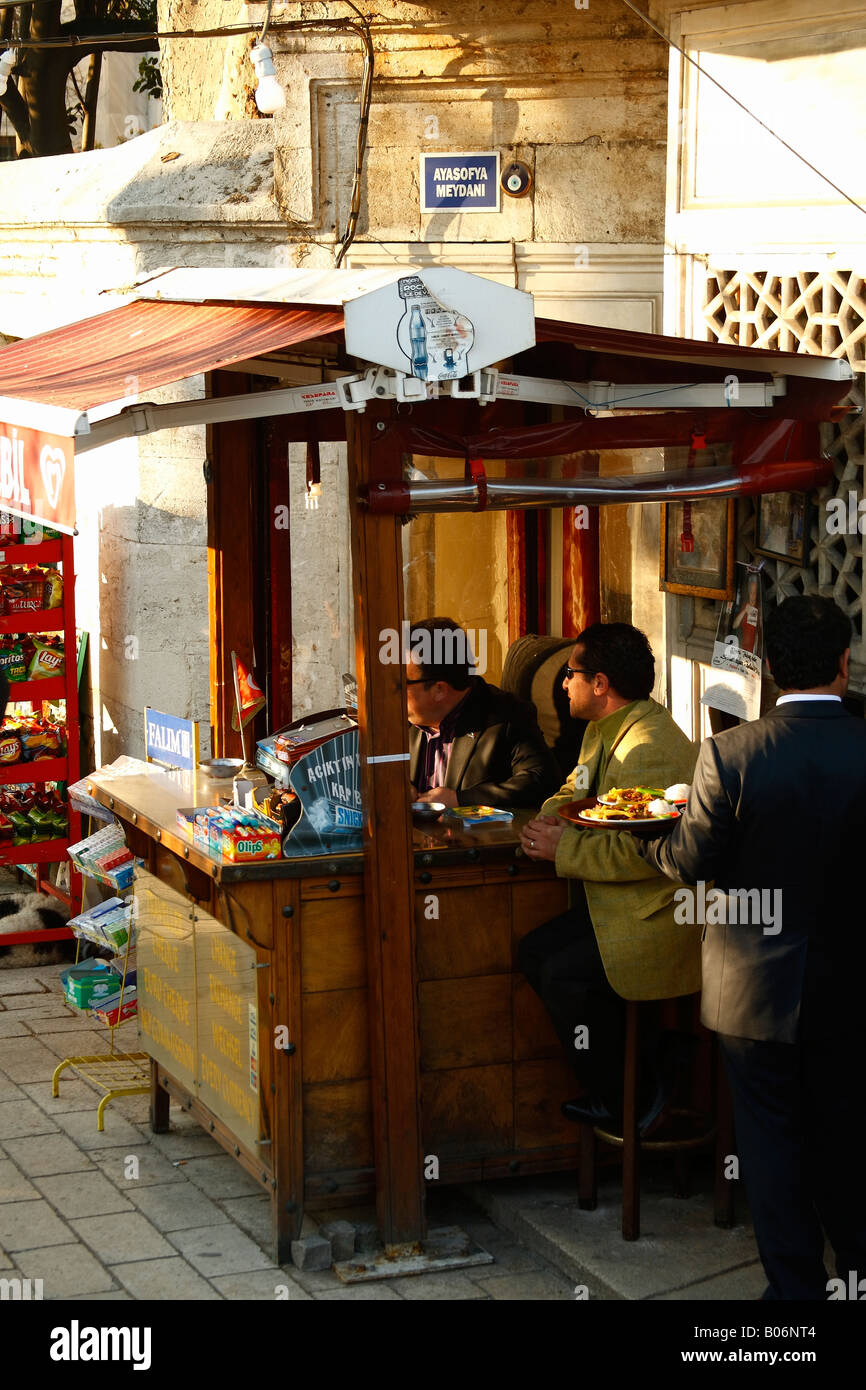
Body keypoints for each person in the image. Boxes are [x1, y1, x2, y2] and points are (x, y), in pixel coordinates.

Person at [638, 594, 866, 1300]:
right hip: (851, 989)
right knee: (846, 1142)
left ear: (766, 668)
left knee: (769, 1146)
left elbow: (690, 862)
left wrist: (656, 836)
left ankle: (794, 1293)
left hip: (751, 991)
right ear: (844, 663)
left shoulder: (730, 755)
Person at [518, 622, 700, 1129]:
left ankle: (631, 1093)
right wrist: (551, 819)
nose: (563, 684)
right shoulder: (604, 730)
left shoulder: (649, 747)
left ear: (600, 683)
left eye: (571, 674)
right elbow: (574, 790)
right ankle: (650, 1058)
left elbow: (645, 851)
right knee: (535, 953)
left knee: (564, 974)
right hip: (617, 906)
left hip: (657, 915)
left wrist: (564, 850)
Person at [407, 617, 560, 810]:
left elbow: (541, 780)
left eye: (401, 683)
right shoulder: (397, 718)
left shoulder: (506, 715)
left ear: (439, 689)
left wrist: (460, 800)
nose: (391, 692)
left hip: (470, 837)